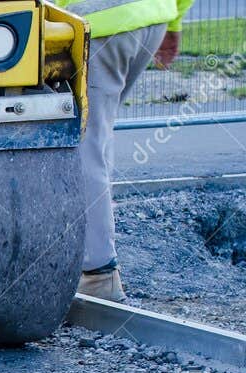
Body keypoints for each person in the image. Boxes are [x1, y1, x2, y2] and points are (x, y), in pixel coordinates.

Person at [71, 0, 195, 302]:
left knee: (84, 144)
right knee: (95, 139)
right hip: (151, 17)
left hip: (94, 23)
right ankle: (80, 259)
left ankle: (97, 274)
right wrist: (174, 20)